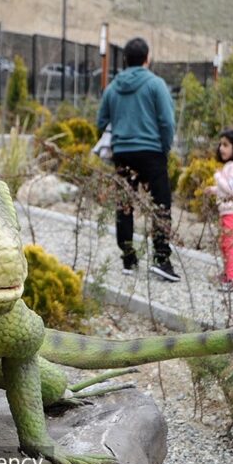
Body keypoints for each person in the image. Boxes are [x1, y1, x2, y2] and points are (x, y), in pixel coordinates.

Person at [97, 37, 179, 282]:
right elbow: (167, 121)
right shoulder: (156, 84)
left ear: (124, 60)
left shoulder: (112, 88)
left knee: (124, 205)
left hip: (122, 154)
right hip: (152, 152)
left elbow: (101, 122)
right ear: (147, 58)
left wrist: (118, 138)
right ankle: (162, 260)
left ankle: (128, 258)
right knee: (160, 205)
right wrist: (163, 148)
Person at [205, 129, 233, 293]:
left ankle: (232, 278)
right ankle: (227, 274)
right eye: (221, 144)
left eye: (225, 145)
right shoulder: (230, 167)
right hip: (227, 211)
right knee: (224, 244)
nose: (221, 148)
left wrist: (218, 177)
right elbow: (227, 189)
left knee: (229, 244)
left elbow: (231, 189)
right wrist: (214, 189)